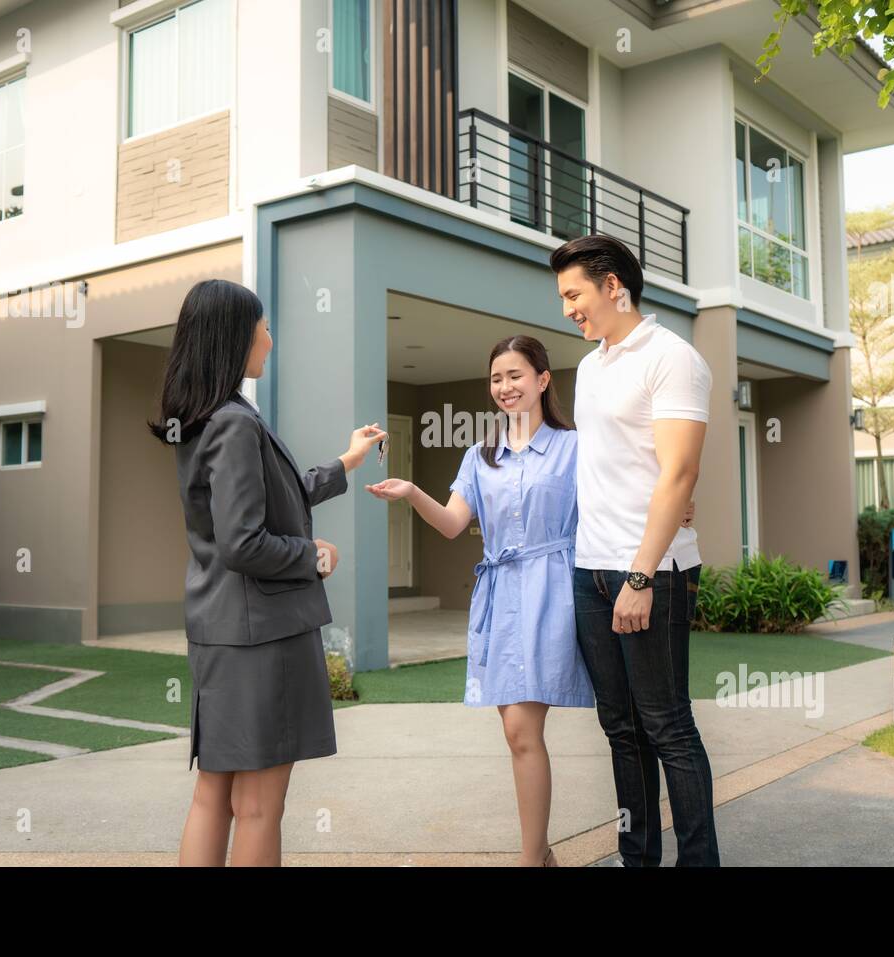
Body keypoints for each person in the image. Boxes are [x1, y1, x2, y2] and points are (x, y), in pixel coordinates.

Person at [149, 278, 384, 867]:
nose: (271, 341)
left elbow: (269, 502)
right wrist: (313, 557)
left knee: (215, 795)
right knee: (258, 807)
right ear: (236, 337)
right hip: (263, 634)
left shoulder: (202, 418)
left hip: (223, 630)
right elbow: (244, 541)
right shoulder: (235, 422)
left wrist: (346, 462)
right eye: (264, 329)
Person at [365, 336, 592, 866]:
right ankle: (540, 854)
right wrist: (412, 493)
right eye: (496, 378)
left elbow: (608, 505)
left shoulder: (576, 446)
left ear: (542, 380)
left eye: (516, 375)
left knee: (521, 728)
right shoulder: (479, 454)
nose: (505, 387)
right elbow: (451, 524)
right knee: (517, 733)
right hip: (500, 596)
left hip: (556, 591)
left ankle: (532, 858)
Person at [552, 234, 720, 867]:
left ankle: (700, 861)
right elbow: (615, 464)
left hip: (652, 570)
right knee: (620, 730)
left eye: (575, 294)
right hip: (590, 567)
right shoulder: (591, 365)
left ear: (613, 285)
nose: (568, 308)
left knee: (667, 726)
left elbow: (679, 472)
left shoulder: (673, 358)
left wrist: (641, 577)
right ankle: (637, 857)